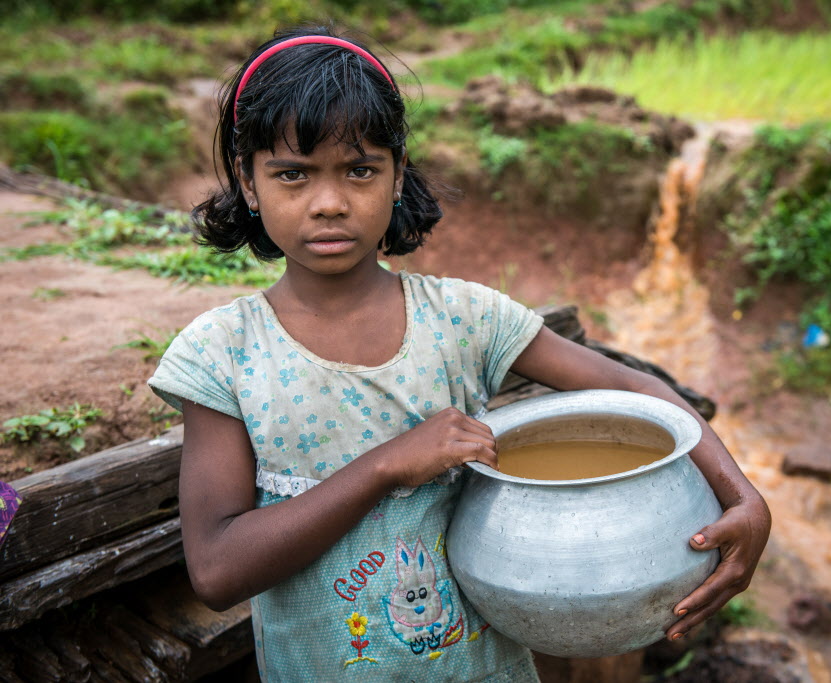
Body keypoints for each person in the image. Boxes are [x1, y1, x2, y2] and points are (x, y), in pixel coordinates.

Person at [148, 24, 770, 682]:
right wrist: (388, 464)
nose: (328, 202)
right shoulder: (223, 354)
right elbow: (216, 569)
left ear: (396, 177)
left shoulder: (464, 318)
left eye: (359, 170)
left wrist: (743, 496)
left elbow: (635, 390)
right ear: (248, 182)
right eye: (293, 175)